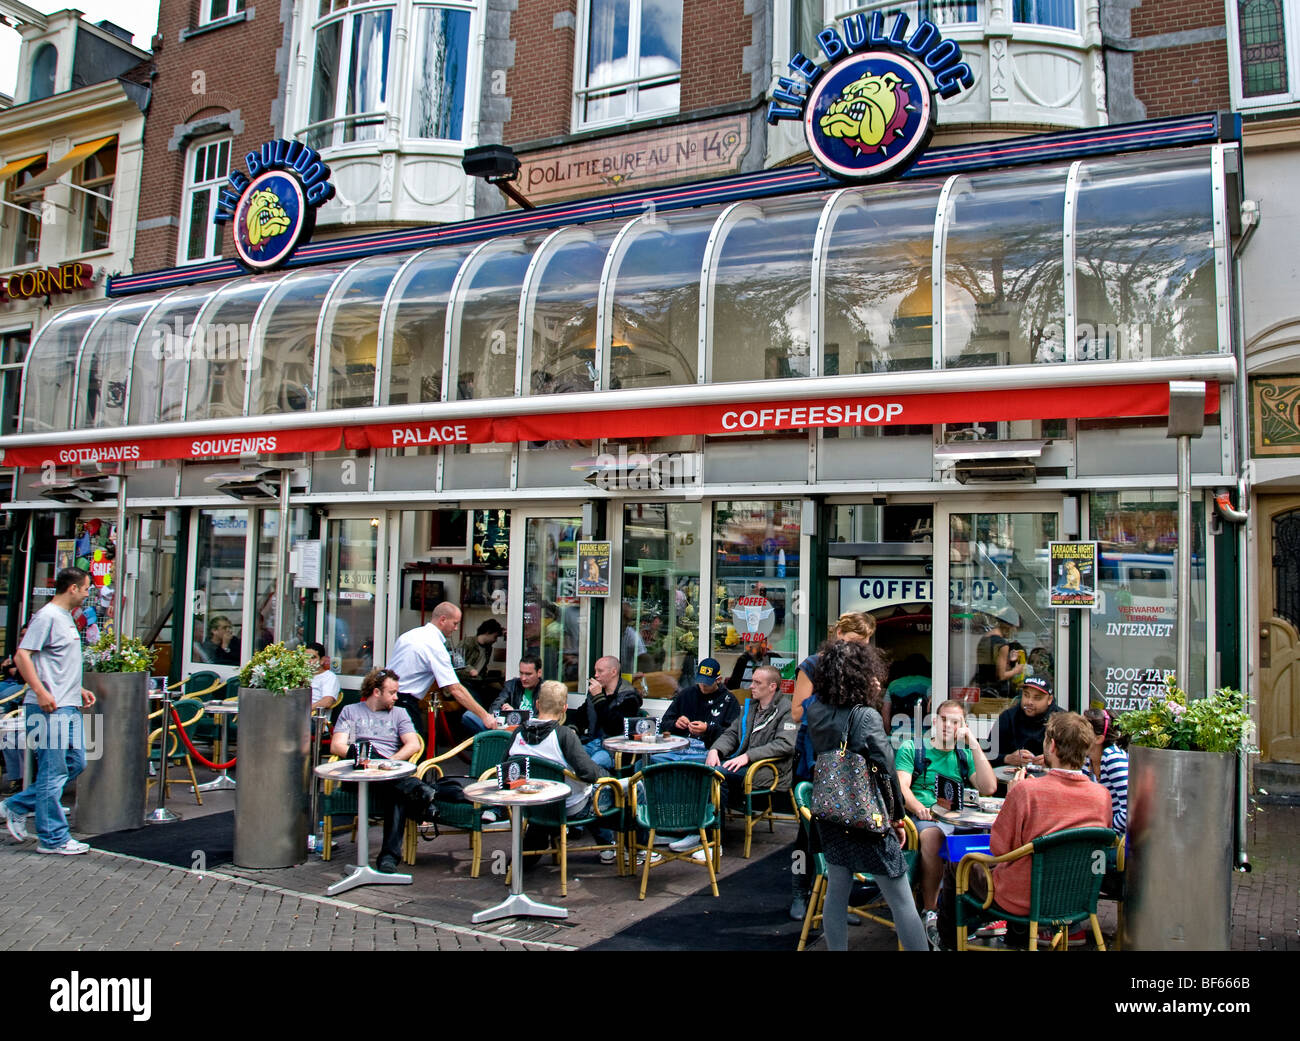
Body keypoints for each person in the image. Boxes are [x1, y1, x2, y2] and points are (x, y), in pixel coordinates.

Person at [936, 712, 1112, 949]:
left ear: (1051, 745)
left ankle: (947, 941)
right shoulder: (1101, 795)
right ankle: (1015, 936)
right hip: (1077, 897)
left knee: (960, 863)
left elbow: (999, 847)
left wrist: (1013, 796)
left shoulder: (1027, 792)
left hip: (1022, 898)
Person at [805, 640, 928, 951]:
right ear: (863, 675)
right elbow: (886, 773)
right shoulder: (866, 716)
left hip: (831, 812)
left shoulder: (816, 710)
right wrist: (898, 818)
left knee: (836, 889)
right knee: (900, 898)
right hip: (867, 817)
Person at [0, 568, 97, 855]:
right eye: (85, 588)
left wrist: (76, 688)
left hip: (68, 703)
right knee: (54, 771)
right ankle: (53, 838)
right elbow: (22, 655)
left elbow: (53, 662)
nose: (87, 593)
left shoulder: (65, 618)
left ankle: (16, 805)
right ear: (73, 589)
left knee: (76, 762)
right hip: (49, 707)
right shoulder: (47, 617)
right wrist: (41, 692)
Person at [787, 611, 874, 920]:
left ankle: (837, 899)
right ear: (839, 634)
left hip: (847, 753)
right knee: (806, 830)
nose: (858, 649)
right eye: (854, 642)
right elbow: (796, 713)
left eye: (864, 645)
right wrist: (831, 699)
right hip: (813, 753)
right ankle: (799, 890)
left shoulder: (859, 668)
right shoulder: (812, 665)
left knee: (844, 828)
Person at [895, 699, 997, 947]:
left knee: (988, 839)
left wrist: (972, 743)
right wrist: (918, 808)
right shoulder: (913, 748)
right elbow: (901, 786)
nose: (948, 726)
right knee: (933, 837)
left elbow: (989, 787)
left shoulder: (963, 755)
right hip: (924, 818)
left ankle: (976, 909)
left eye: (955, 721)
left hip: (958, 820)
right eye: (943, 719)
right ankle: (931, 910)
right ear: (934, 719)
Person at [329, 667, 423, 874]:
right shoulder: (351, 711)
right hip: (359, 775)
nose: (396, 697)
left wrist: (387, 763)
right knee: (401, 788)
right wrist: (367, 761)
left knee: (397, 792)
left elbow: (413, 745)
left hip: (389, 775)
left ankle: (388, 858)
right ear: (376, 692)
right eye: (392, 693)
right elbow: (337, 746)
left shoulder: (399, 713)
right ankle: (421, 791)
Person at [508, 679, 606, 866]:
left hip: (530, 805)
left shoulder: (518, 733)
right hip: (568, 807)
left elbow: (507, 768)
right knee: (620, 793)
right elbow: (590, 774)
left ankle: (525, 859)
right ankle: (618, 849)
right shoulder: (564, 735)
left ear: (537, 704)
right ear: (564, 708)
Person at [701, 665, 796, 858]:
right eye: (752, 681)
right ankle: (699, 832)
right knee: (705, 771)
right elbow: (731, 733)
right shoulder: (750, 707)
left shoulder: (787, 710)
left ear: (772, 687)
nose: (751, 686)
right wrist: (715, 750)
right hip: (744, 765)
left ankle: (713, 841)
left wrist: (748, 756)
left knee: (717, 776)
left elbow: (785, 744)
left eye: (757, 682)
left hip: (768, 770)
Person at [388, 602, 497, 739]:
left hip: (387, 697)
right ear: (443, 620)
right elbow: (455, 689)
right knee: (416, 750)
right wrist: (485, 716)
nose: (456, 628)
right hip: (404, 702)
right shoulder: (435, 646)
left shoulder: (409, 635)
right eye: (455, 623)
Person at [652, 658, 739, 765]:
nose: (702, 686)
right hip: (679, 747)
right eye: (700, 681)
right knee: (644, 763)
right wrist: (676, 724)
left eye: (707, 683)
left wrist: (708, 730)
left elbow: (733, 735)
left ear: (718, 679)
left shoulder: (729, 700)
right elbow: (665, 723)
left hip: (707, 750)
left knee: (683, 765)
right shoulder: (686, 694)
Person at [581, 654, 642, 771]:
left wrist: (598, 698)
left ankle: (605, 788)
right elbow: (582, 714)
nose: (596, 675)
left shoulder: (629, 697)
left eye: (600, 671)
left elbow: (613, 727)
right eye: (595, 671)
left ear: (613, 672)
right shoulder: (597, 693)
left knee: (591, 766)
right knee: (567, 758)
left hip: (614, 750)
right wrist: (573, 729)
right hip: (593, 743)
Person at [991, 675, 1063, 767]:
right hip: (1010, 778)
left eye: (1037, 698)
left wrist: (1053, 762)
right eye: (1026, 695)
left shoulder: (1062, 721)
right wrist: (1007, 758)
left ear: (1049, 700)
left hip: (1052, 779)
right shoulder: (1008, 717)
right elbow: (986, 754)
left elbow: (1076, 759)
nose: (1029, 702)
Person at [463, 655, 544, 735]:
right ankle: (494, 738)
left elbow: (544, 719)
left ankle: (493, 739)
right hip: (504, 729)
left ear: (539, 673)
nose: (523, 678)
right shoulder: (512, 685)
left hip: (528, 733)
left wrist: (515, 714)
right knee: (469, 716)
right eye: (521, 673)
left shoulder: (545, 690)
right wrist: (500, 715)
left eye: (528, 674)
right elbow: (496, 705)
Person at [1083, 707, 1128, 834]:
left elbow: (1130, 811)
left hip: (1119, 839)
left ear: (1098, 739)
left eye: (1083, 732)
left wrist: (1104, 827)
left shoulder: (1113, 758)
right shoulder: (1087, 759)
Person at [973, 606, 1025, 697]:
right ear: (1010, 626)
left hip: (981, 686)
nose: (1015, 632)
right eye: (1015, 628)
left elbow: (989, 664)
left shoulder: (986, 637)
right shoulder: (1002, 644)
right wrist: (1016, 670)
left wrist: (1008, 660)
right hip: (995, 692)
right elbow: (1001, 676)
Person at [456, 618, 503, 692]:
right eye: (495, 637)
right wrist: (470, 670)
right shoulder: (467, 643)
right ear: (487, 632)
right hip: (464, 681)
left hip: (478, 681)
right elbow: (456, 664)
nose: (495, 640)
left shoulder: (488, 648)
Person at [305, 641, 340, 711]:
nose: (308, 661)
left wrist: (305, 710)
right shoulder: (301, 675)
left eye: (313, 657)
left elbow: (327, 701)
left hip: (315, 717)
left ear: (322, 660)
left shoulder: (329, 676)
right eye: (306, 657)